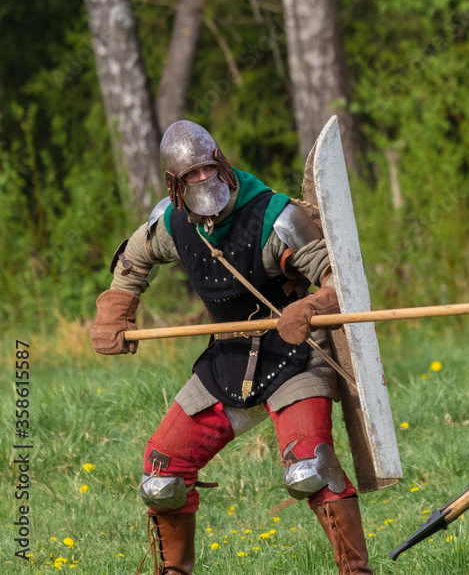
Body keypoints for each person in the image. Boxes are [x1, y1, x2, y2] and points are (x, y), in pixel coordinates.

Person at [90, 120, 373, 575]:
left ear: (221, 162)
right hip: (228, 359)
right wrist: (117, 307)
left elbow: (338, 280)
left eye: (208, 170)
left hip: (293, 355)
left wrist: (314, 304)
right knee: (162, 474)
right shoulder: (172, 221)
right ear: (174, 185)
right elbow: (134, 255)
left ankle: (355, 571)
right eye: (191, 177)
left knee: (310, 469)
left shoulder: (277, 219)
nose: (203, 181)